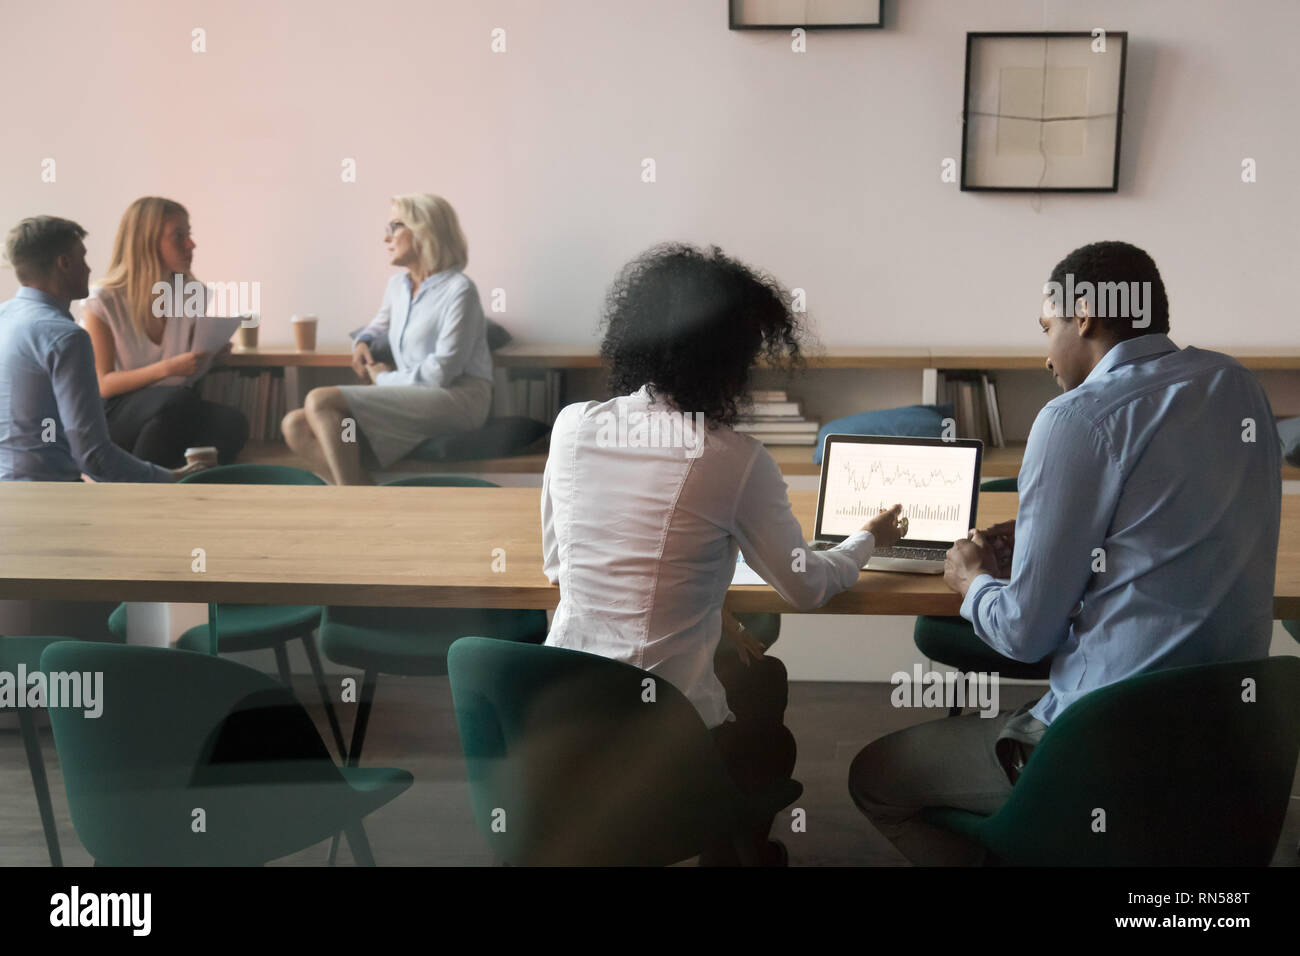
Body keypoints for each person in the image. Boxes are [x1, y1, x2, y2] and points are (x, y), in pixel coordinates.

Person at [848, 241, 1282, 865]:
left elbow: (1025, 634)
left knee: (876, 777)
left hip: (1109, 748)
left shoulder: (1076, 416)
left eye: (1046, 327)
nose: (1043, 350)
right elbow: (1169, 522)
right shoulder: (1236, 384)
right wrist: (1052, 532)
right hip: (1229, 743)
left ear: (1084, 314)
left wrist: (972, 582)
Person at [540, 243, 907, 865]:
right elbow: (806, 587)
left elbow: (561, 566)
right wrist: (868, 539)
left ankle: (723, 845)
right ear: (733, 360)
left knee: (757, 675)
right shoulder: (733, 459)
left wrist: (708, 606)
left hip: (558, 717)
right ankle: (727, 843)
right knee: (766, 717)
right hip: (664, 738)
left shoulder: (574, 424)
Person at [282, 194, 493, 484]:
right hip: (414, 393)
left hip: (457, 398)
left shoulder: (460, 291)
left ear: (424, 230)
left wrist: (383, 379)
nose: (386, 238)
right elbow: (379, 325)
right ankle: (366, 500)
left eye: (395, 226)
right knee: (294, 424)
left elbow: (442, 372)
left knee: (320, 400)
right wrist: (363, 341)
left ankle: (355, 507)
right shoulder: (398, 286)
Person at [0, 215, 204, 482]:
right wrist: (170, 479)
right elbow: (93, 456)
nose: (88, 268)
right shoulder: (66, 337)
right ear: (64, 263)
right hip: (48, 495)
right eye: (83, 258)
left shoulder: (5, 316)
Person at [81, 197, 248, 467]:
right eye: (179, 236)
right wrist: (168, 368)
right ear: (146, 243)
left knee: (232, 423)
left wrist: (211, 358)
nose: (191, 244)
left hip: (173, 407)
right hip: (115, 410)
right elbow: (103, 384)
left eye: (189, 235)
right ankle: (141, 488)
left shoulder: (192, 294)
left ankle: (168, 478)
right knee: (177, 402)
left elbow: (189, 369)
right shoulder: (103, 301)